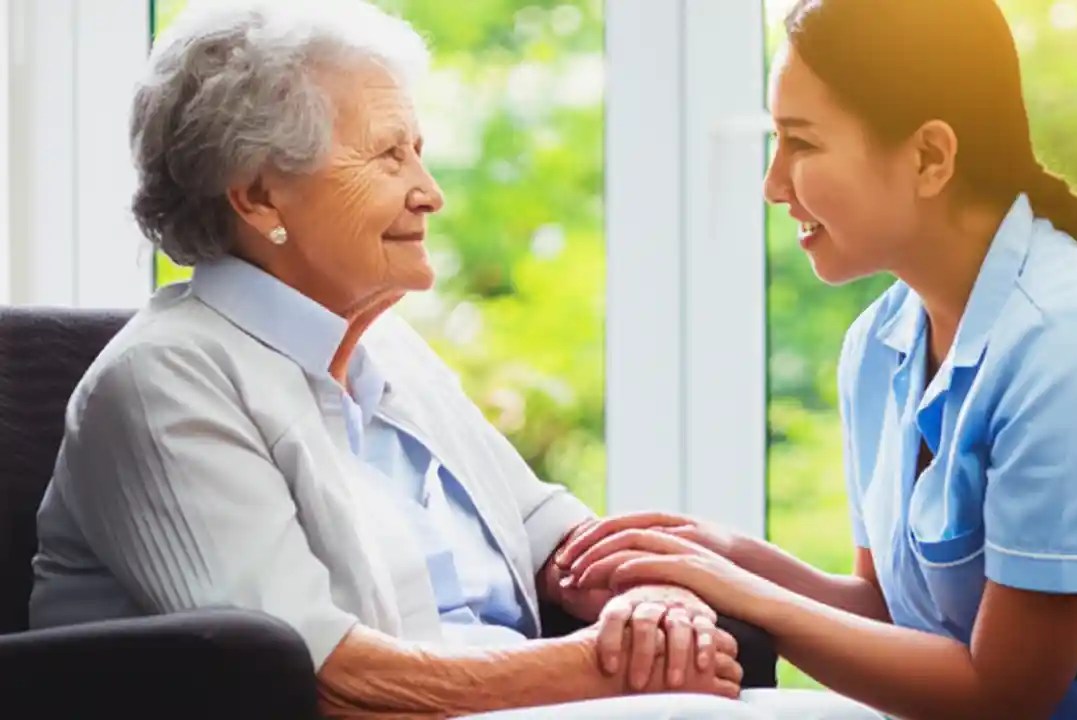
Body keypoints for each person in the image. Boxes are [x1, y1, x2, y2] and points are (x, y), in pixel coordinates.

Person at [26, 1, 875, 717]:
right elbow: (326, 679)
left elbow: (571, 550)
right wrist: (606, 667)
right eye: (390, 155)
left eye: (421, 152)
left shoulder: (383, 345)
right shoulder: (163, 381)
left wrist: (659, 604)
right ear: (256, 195)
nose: (430, 190)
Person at [556, 1, 1077, 718]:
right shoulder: (881, 345)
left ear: (931, 156)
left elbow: (1000, 695)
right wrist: (726, 554)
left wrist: (743, 593)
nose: (773, 185)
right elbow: (890, 615)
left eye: (801, 144)